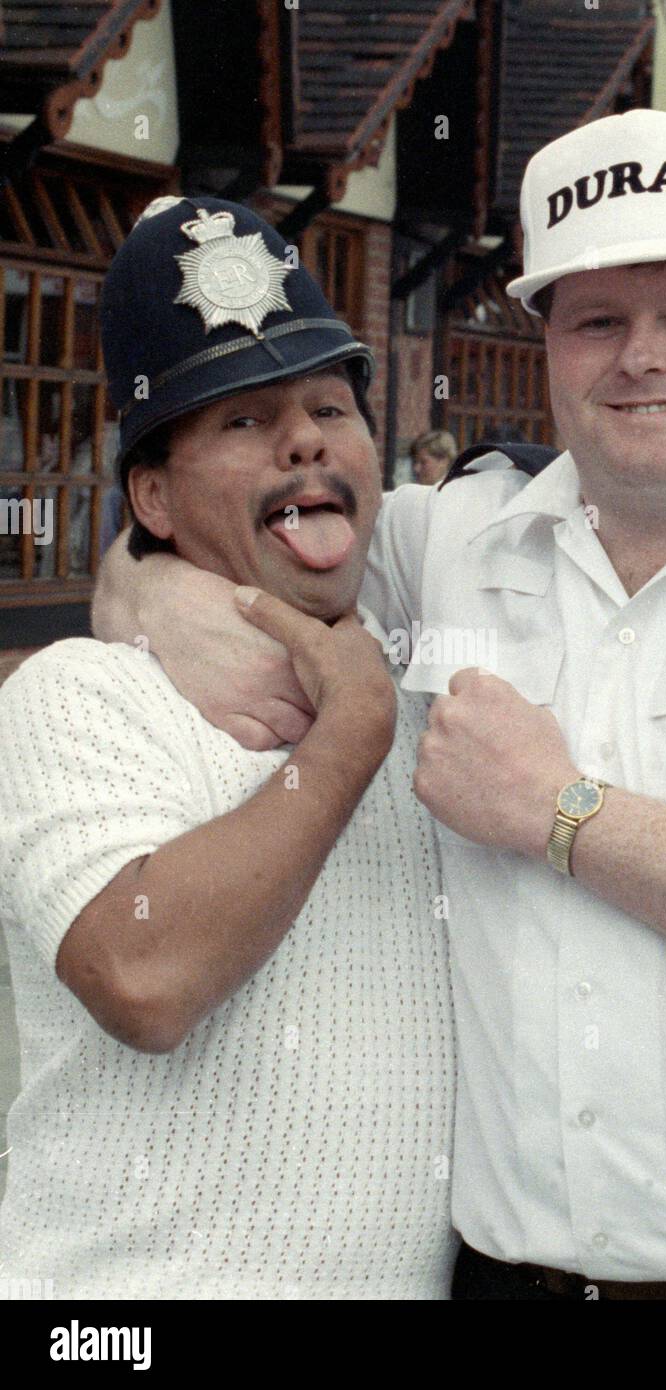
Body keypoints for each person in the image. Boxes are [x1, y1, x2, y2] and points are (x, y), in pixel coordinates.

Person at [93, 112, 666, 1301]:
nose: (641, 357)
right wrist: (142, 582)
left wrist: (560, 813)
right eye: (595, 321)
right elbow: (244, 530)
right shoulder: (445, 542)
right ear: (549, 343)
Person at [0, 197, 456, 1300]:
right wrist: (347, 733)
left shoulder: (432, 670)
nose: (304, 436)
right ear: (150, 497)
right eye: (243, 422)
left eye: (328, 407)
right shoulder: (79, 695)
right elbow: (143, 976)